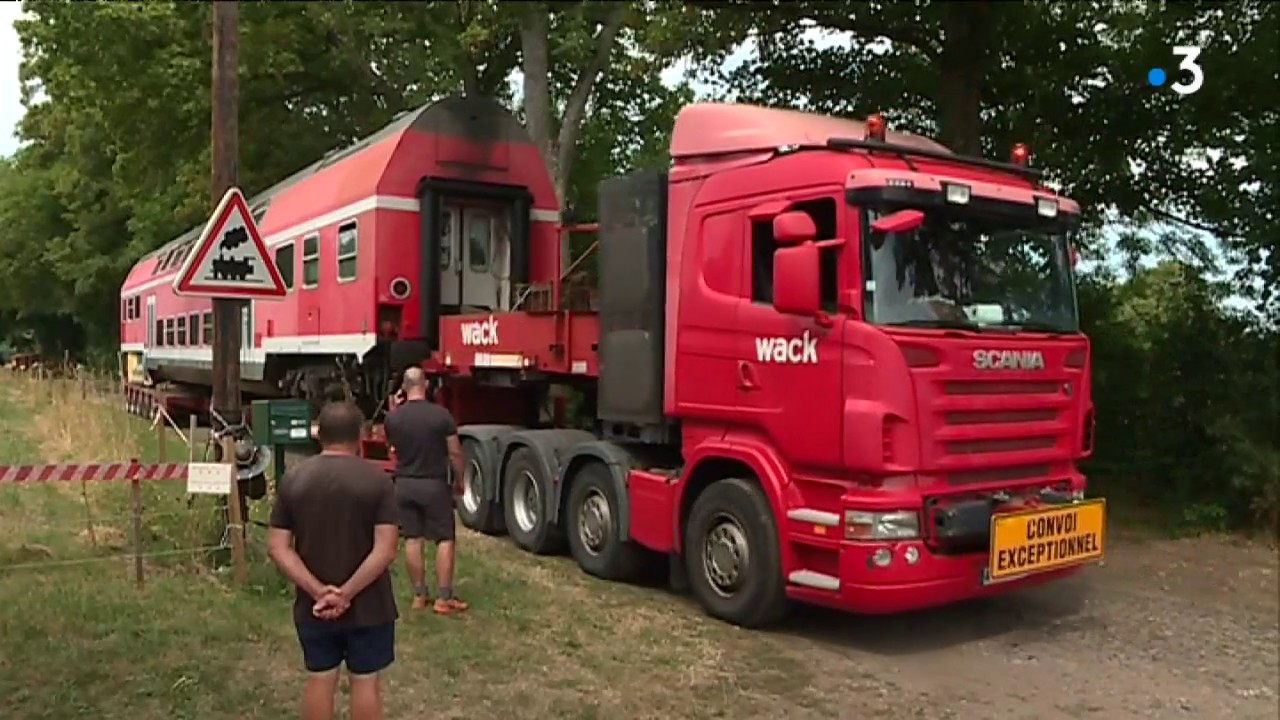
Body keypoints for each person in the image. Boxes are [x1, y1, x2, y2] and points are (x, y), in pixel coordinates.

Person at [267, 401, 400, 720]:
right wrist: (346, 593)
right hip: (370, 606)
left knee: (320, 678)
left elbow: (277, 547)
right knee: (365, 682)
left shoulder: (294, 479)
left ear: (318, 434)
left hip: (313, 606)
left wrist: (318, 592)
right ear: (359, 435)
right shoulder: (378, 480)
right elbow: (385, 549)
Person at [384, 367, 468, 615]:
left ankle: (419, 595)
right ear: (426, 384)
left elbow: (392, 449)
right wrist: (460, 479)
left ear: (404, 387)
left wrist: (395, 405)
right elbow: (455, 452)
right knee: (444, 538)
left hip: (404, 484)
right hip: (433, 484)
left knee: (412, 538)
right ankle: (443, 598)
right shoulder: (441, 416)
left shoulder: (394, 419)